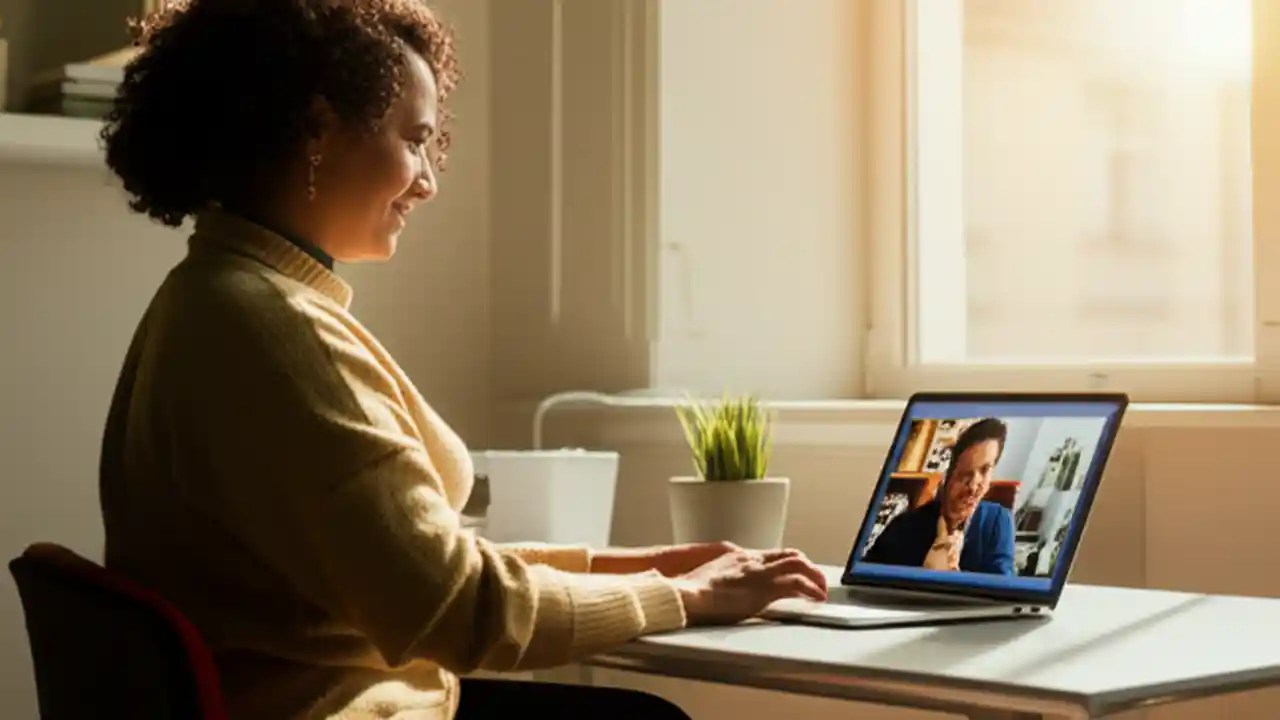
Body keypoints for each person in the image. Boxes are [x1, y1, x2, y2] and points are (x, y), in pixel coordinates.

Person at [95, 2, 827, 719]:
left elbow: (426, 567)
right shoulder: (273, 333)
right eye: (414, 139)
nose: (427, 180)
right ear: (316, 127)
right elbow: (461, 610)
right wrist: (688, 598)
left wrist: (641, 566)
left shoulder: (210, 298)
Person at [863, 418, 1015, 575]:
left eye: (985, 470)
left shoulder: (998, 521)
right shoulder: (904, 526)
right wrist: (923, 575)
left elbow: (1003, 591)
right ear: (947, 475)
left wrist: (953, 579)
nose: (973, 486)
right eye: (965, 473)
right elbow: (865, 578)